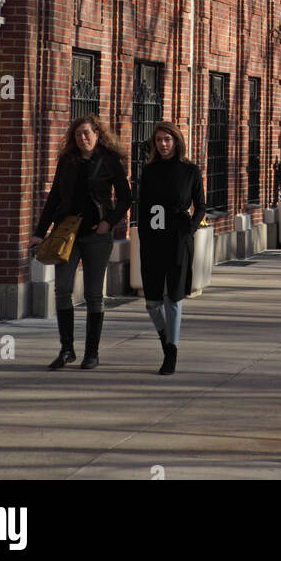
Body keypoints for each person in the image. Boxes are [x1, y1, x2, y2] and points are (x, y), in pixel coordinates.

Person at [31, 114, 131, 371]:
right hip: (67, 233)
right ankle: (66, 349)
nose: (82, 138)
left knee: (93, 294)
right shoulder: (67, 161)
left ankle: (92, 352)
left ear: (97, 134)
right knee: (62, 289)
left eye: (87, 133)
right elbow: (54, 197)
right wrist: (40, 232)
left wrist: (109, 222)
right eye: (78, 135)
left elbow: (125, 198)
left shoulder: (110, 161)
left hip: (96, 235)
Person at [138, 120, 206, 375]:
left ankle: (172, 351)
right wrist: (143, 237)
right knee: (152, 302)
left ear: (176, 141)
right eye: (159, 140)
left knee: (173, 298)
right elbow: (142, 207)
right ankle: (165, 339)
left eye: (168, 139)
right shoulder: (149, 171)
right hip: (153, 241)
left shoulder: (189, 171)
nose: (163, 144)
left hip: (178, 240)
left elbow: (200, 205)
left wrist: (190, 229)